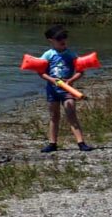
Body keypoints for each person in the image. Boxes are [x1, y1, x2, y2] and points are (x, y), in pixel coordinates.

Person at [39, 25, 91, 154]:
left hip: (68, 91)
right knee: (54, 116)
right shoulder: (48, 55)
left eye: (64, 38)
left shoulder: (71, 54)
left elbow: (80, 71)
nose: (63, 40)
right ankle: (52, 143)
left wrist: (71, 80)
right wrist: (51, 80)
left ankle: (81, 142)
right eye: (59, 38)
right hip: (52, 90)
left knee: (71, 114)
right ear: (51, 40)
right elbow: (41, 72)